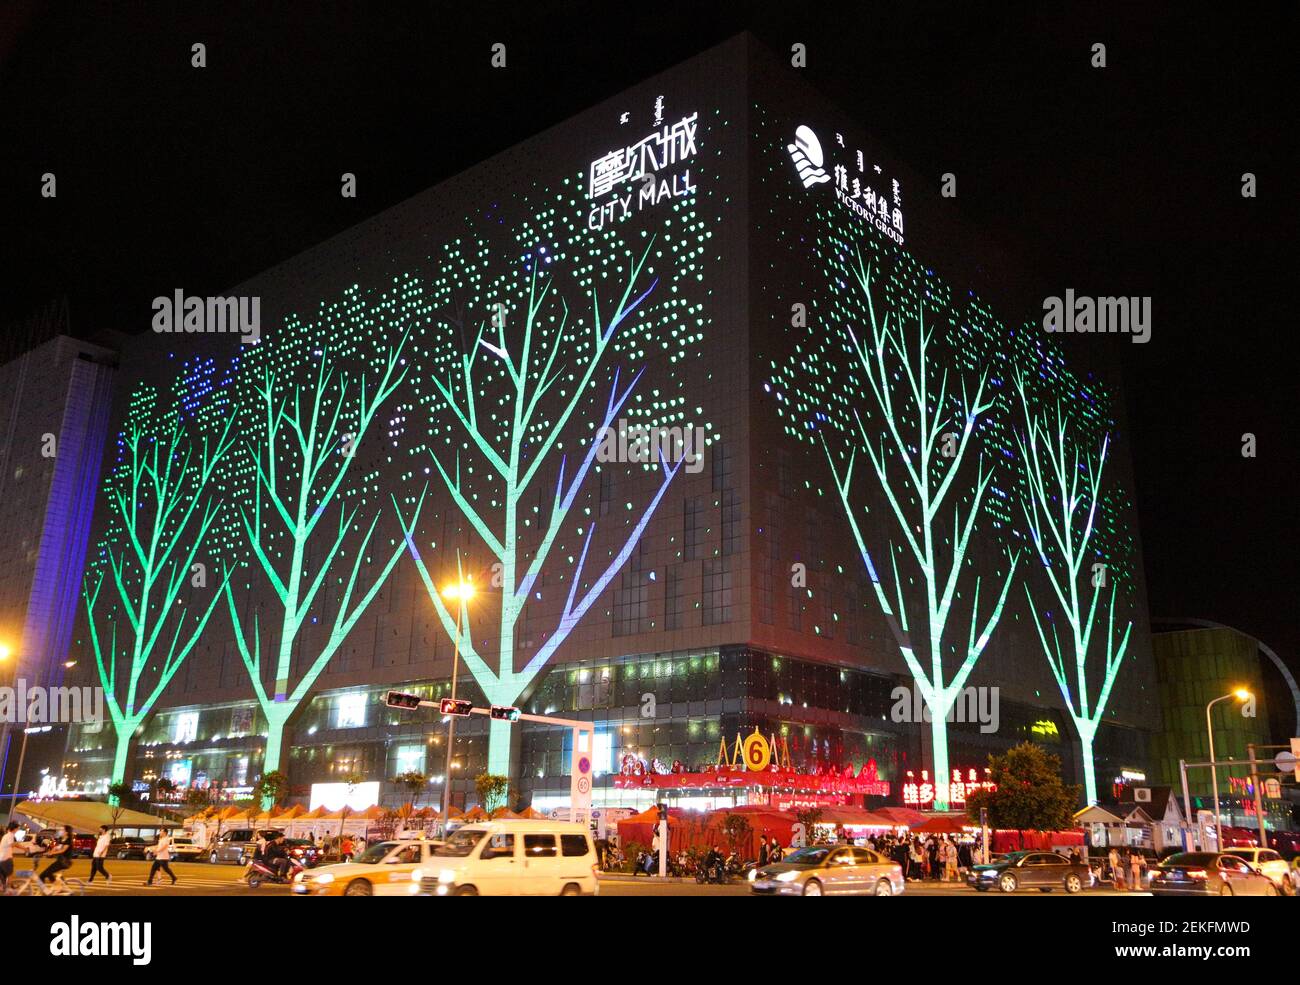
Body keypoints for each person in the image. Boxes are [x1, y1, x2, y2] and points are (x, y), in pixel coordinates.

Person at [0, 821, 18, 892]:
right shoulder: (10, 835)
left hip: (1, 858)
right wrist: (18, 843)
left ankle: (3, 887)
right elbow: (12, 844)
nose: (18, 830)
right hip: (6, 858)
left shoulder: (5, 835)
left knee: (3, 875)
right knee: (10, 874)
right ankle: (9, 888)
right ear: (14, 829)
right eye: (17, 828)